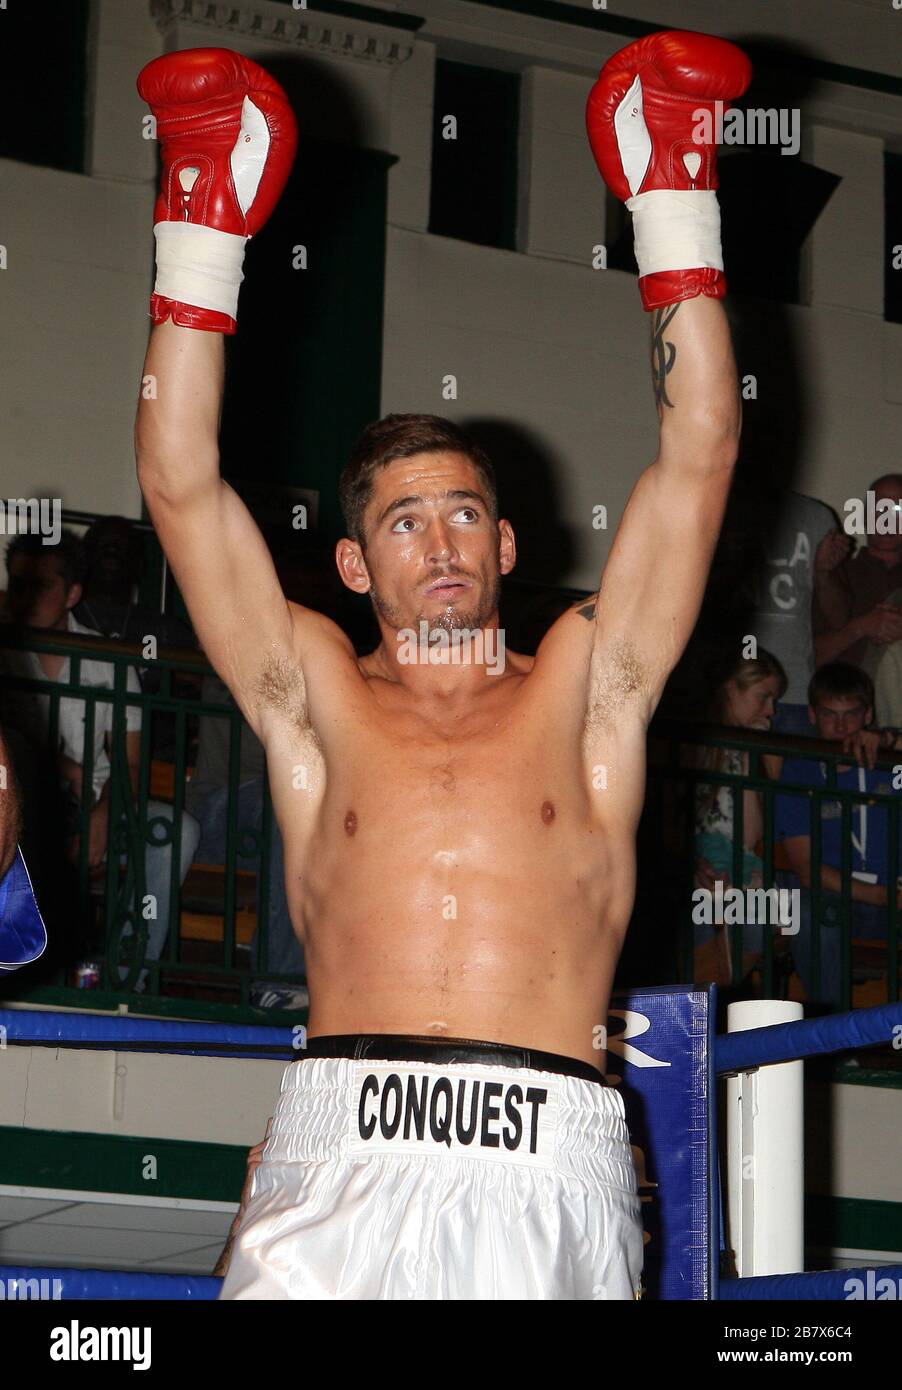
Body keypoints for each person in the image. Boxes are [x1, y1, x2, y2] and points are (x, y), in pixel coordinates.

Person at [136, 32, 748, 1300]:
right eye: (403, 521)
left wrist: (672, 200)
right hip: (338, 1147)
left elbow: (699, 458)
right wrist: (198, 231)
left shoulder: (590, 680)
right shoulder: (311, 693)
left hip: (549, 1161)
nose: (441, 541)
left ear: (508, 540)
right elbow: (180, 485)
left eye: (464, 511)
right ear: (356, 567)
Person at [0, 531, 199, 990]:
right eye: (18, 584)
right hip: (18, 808)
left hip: (95, 801)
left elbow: (129, 763)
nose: (25, 598)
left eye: (41, 586)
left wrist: (104, 814)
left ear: (72, 594)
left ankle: (129, 979)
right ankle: (21, 971)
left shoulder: (109, 659)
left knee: (177, 832)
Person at [775, 663, 902, 1010]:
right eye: (830, 715)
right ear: (813, 715)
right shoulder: (799, 768)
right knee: (811, 917)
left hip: (896, 894)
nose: (842, 726)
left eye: (852, 714)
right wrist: (877, 895)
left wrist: (890, 738)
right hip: (837, 898)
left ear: (869, 715)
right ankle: (832, 1042)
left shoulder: (890, 761)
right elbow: (807, 870)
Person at [185, 672, 306, 1009]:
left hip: (271, 825)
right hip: (214, 810)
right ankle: (277, 979)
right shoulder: (229, 664)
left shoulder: (300, 667)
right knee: (286, 803)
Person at [690, 649, 786, 986]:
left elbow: (747, 837)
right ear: (732, 689)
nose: (770, 710)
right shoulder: (693, 738)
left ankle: (718, 994)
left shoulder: (763, 749)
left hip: (734, 860)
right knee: (691, 908)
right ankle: (705, 1000)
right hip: (689, 860)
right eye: (763, 697)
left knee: (762, 905)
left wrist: (750, 752)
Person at [814, 473, 902, 671]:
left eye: (898, 509)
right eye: (879, 509)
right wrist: (862, 627)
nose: (886, 519)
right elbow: (807, 658)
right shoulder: (835, 575)